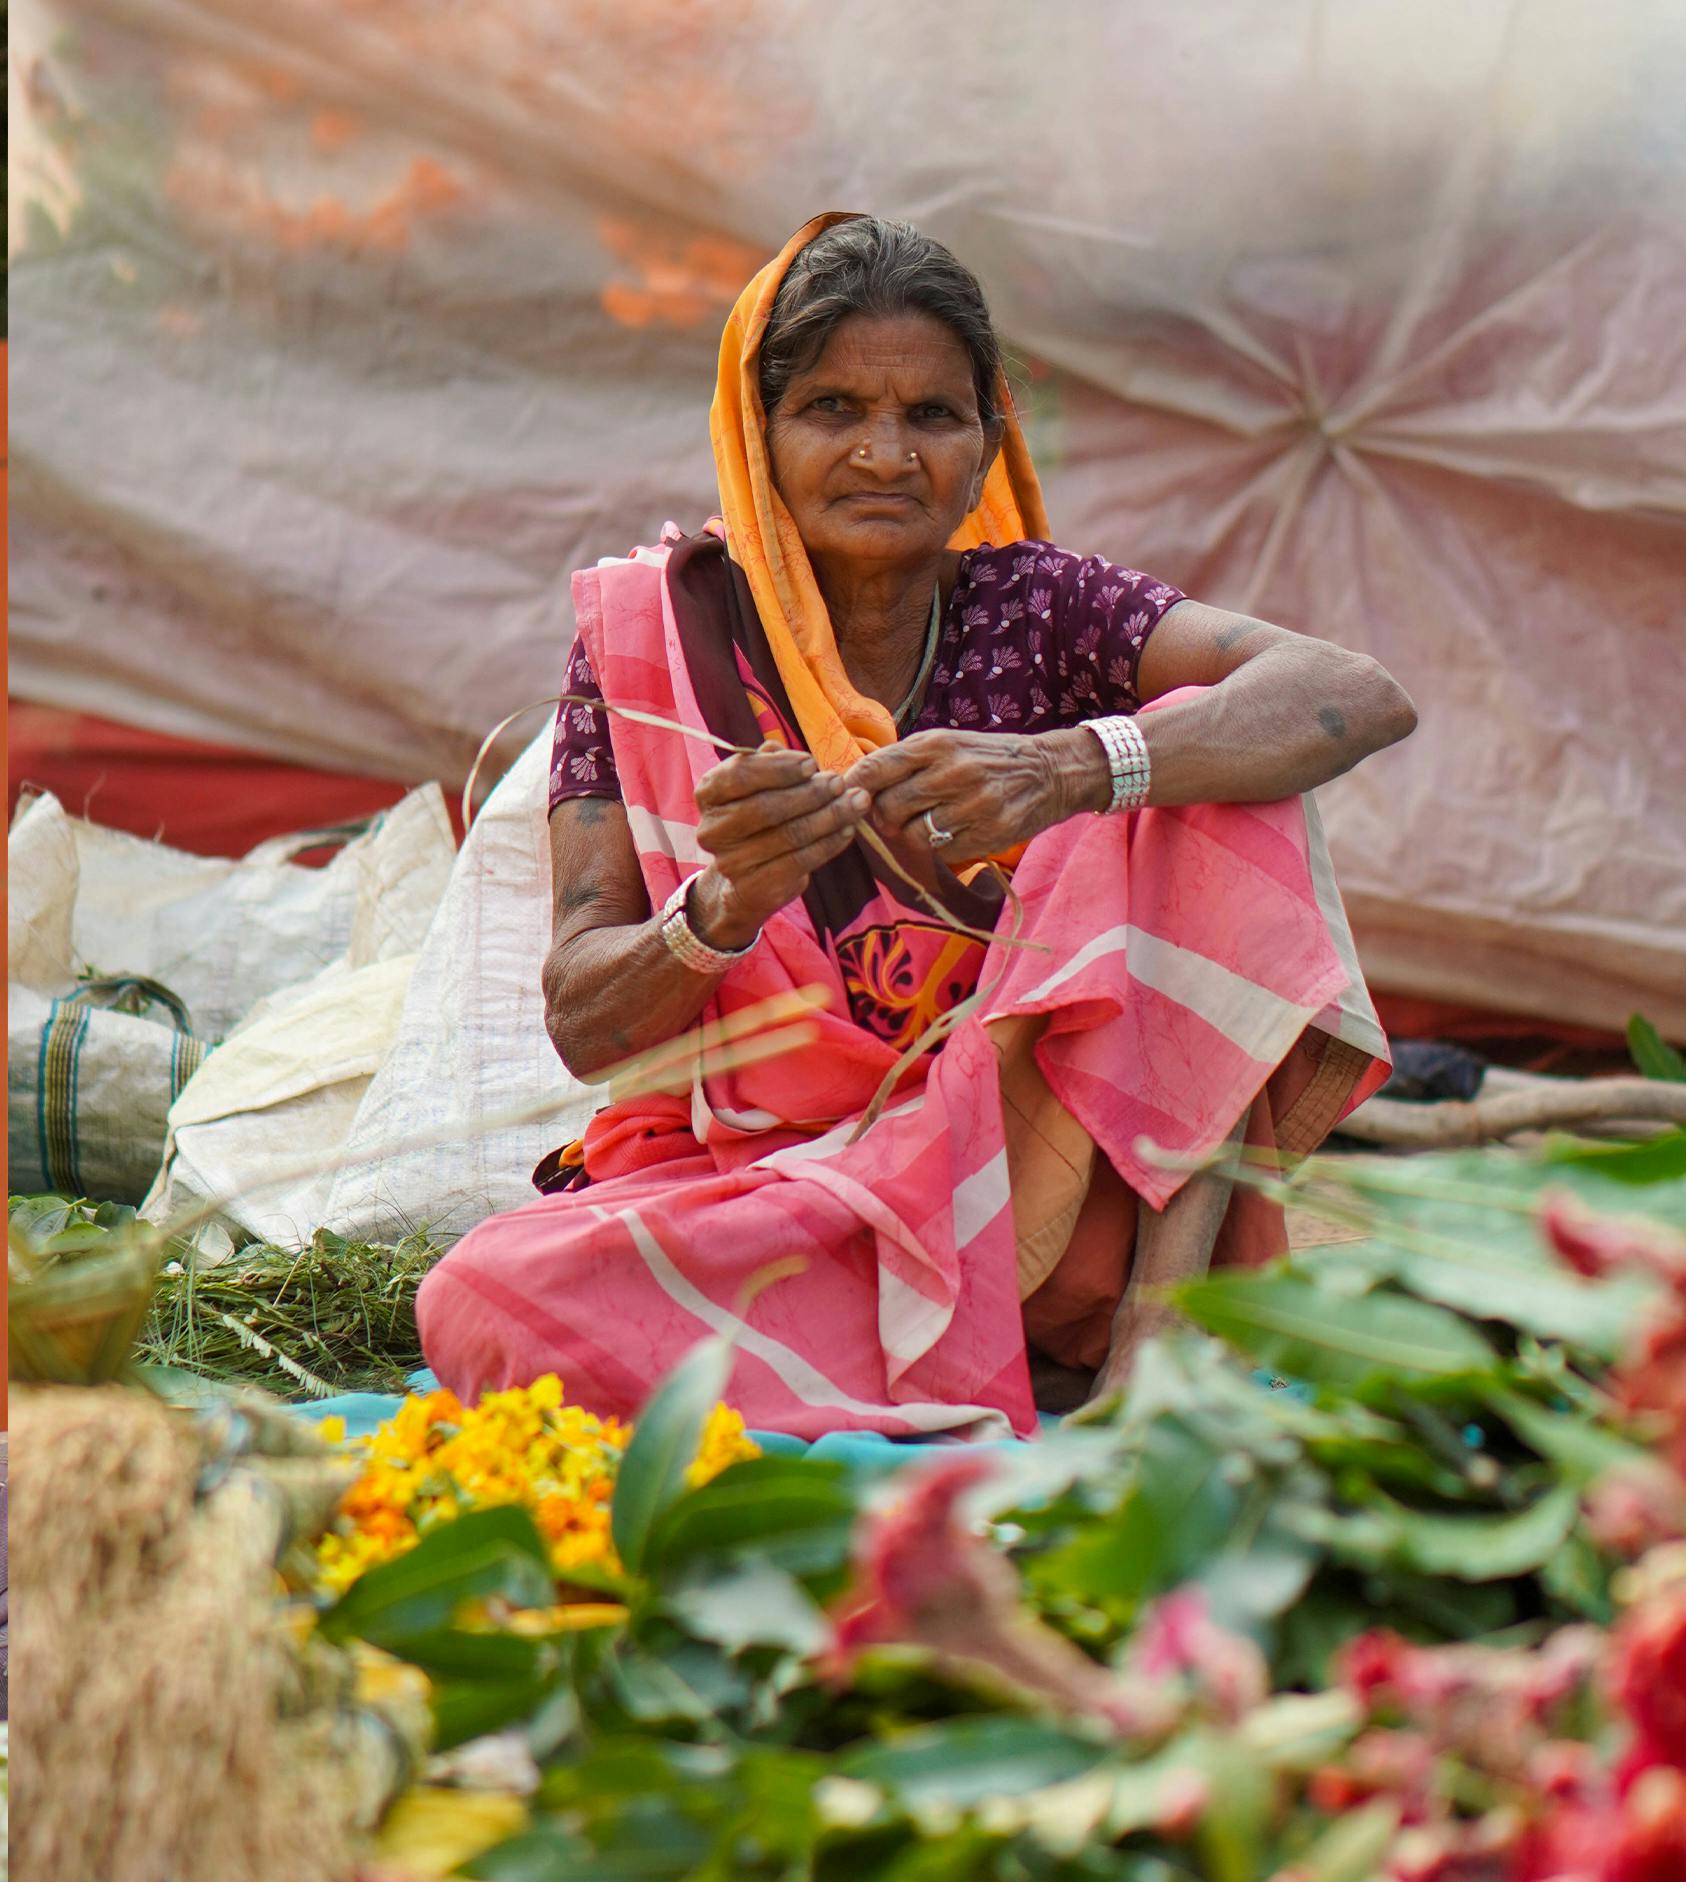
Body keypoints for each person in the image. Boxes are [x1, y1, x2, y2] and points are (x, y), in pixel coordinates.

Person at [417, 211, 1413, 1438]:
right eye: (834, 409)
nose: (886, 454)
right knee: (486, 1300)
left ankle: (1147, 1362)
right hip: (795, 1191)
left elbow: (1353, 695)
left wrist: (1072, 766)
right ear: (759, 432)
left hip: (1061, 1199)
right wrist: (723, 908)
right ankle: (950, 1373)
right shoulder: (656, 644)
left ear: (989, 437)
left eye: (932, 416)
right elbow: (584, 1017)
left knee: (1206, 773)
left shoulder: (1041, 608)